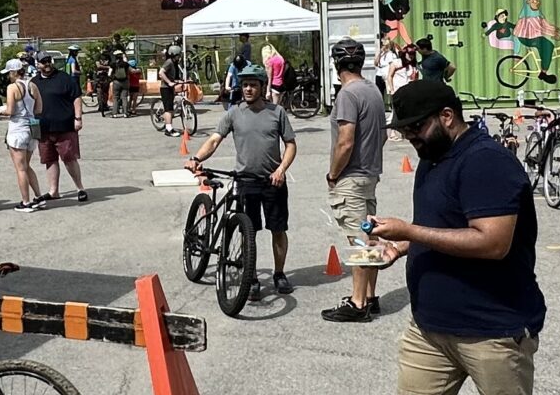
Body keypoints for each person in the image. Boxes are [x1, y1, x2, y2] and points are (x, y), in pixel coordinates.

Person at [328, 79, 560, 395]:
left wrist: (411, 228)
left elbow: (492, 242)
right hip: (432, 319)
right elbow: (442, 227)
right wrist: (400, 245)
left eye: (416, 127)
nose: (410, 137)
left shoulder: (486, 163)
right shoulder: (434, 158)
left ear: (448, 116)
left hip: (492, 322)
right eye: (406, 130)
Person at [188, 64, 298, 298]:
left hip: (273, 181)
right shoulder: (234, 113)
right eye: (245, 84)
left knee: (278, 230)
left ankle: (279, 274)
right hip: (246, 182)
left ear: (262, 87)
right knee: (249, 232)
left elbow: (290, 144)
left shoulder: (276, 112)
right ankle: (252, 277)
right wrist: (196, 158)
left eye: (253, 85)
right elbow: (215, 140)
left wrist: (281, 169)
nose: (248, 89)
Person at [321, 40, 389, 322]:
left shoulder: (348, 95)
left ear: (337, 66)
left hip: (352, 176)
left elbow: (345, 142)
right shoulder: (372, 90)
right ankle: (370, 296)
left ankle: (357, 303)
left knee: (358, 242)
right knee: (369, 237)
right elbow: (382, 135)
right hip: (370, 174)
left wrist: (333, 174)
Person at [30, 52, 88, 206]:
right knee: (49, 160)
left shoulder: (64, 78)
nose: (47, 64)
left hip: (65, 126)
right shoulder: (34, 82)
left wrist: (78, 118)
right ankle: (53, 191)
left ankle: (79, 188)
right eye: (43, 62)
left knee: (69, 158)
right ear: (38, 65)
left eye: (48, 61)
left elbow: (76, 97)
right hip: (44, 128)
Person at [2, 59, 44, 210]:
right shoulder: (33, 85)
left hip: (18, 128)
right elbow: (39, 109)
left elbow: (10, 111)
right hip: (32, 128)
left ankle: (25, 202)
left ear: (13, 73)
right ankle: (38, 197)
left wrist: (0, 110)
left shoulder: (12, 87)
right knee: (26, 166)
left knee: (20, 168)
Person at [158, 45, 187, 135]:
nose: (180, 57)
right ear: (174, 55)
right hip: (165, 88)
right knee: (168, 109)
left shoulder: (174, 63)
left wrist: (180, 81)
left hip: (170, 88)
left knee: (170, 108)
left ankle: (168, 125)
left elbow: (174, 76)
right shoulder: (169, 62)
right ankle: (168, 130)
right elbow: (161, 73)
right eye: (178, 55)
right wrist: (169, 82)